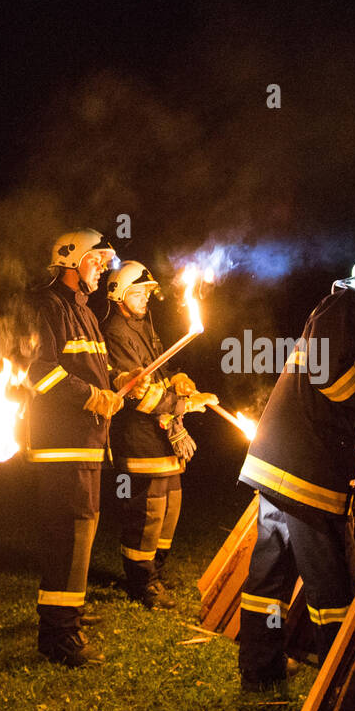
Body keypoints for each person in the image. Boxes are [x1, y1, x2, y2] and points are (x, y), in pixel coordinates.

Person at [236, 242, 355, 691]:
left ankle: (259, 669)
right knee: (331, 584)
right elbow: (333, 378)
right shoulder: (351, 306)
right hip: (306, 472)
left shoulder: (353, 316)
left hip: (278, 465)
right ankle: (338, 685)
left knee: (270, 573)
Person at [23, 229, 122, 666]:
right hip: (61, 443)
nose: (102, 269)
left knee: (82, 531)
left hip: (87, 442)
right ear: (72, 262)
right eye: (97, 261)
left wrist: (116, 386)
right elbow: (38, 370)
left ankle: (69, 611)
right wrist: (88, 394)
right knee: (69, 533)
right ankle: (58, 633)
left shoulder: (84, 311)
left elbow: (96, 370)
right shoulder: (46, 306)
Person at [102, 261, 217, 609]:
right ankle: (141, 582)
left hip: (163, 434)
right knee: (148, 511)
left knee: (171, 506)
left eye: (147, 293)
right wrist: (185, 405)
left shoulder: (143, 325)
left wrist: (179, 378)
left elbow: (159, 371)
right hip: (139, 436)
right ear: (119, 295)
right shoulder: (116, 332)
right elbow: (138, 393)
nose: (144, 299)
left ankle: (156, 570)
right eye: (137, 293)